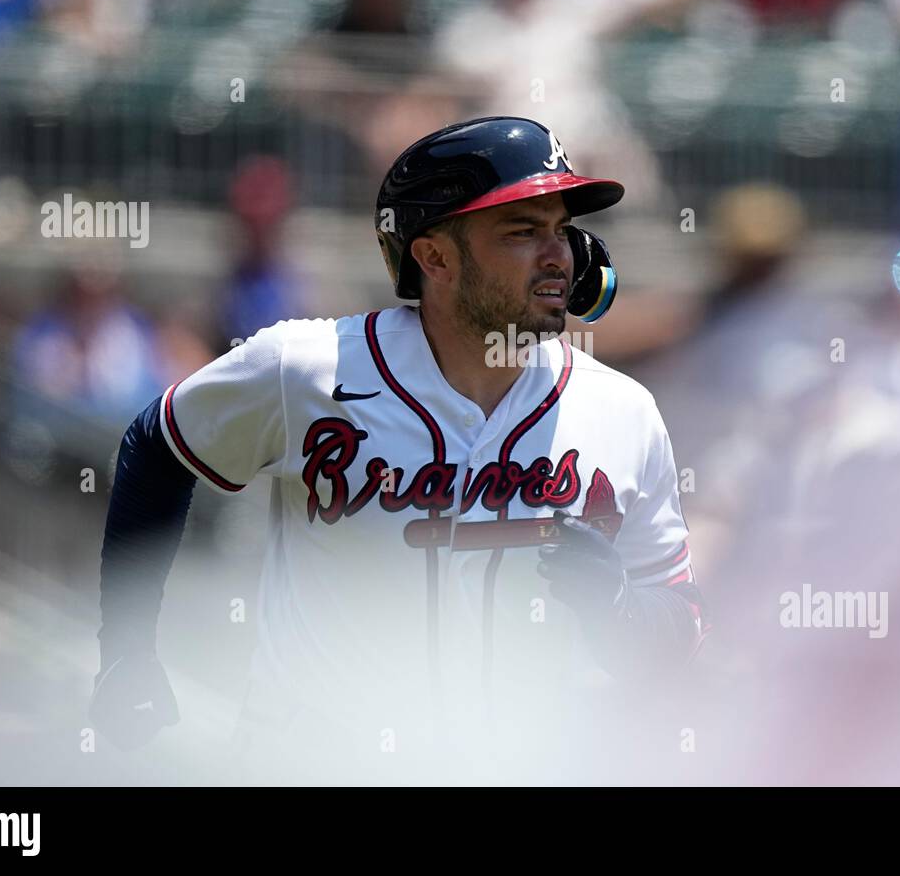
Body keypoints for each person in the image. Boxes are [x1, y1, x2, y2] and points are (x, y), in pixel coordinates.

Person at [90, 116, 708, 783]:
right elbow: (158, 444)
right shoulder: (305, 368)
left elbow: (679, 627)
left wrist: (618, 609)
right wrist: (126, 650)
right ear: (434, 256)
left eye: (562, 229)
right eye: (523, 232)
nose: (560, 254)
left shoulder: (622, 413)